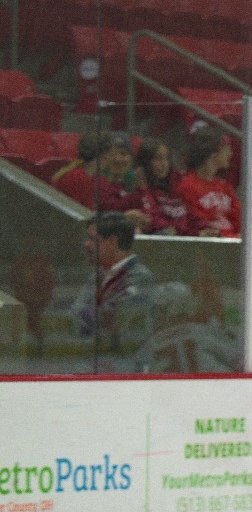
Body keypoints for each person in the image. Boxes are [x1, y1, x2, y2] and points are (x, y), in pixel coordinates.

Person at [74, 211, 155, 365]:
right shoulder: (96, 277)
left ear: (112, 242)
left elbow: (116, 321)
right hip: (95, 366)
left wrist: (94, 317)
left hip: (127, 371)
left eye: (92, 239)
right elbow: (75, 316)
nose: (86, 244)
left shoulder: (140, 278)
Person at [51, 130, 146, 223]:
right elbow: (81, 219)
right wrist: (123, 217)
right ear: (105, 154)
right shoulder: (76, 177)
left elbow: (103, 211)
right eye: (114, 152)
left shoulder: (97, 179)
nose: (116, 158)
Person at [176, 126, 241, 237]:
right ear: (213, 154)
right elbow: (200, 226)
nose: (231, 154)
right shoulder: (187, 187)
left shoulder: (225, 187)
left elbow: (239, 221)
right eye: (227, 149)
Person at [133, 138, 189, 235]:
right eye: (158, 159)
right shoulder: (140, 191)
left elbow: (189, 218)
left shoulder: (175, 187)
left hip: (181, 237)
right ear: (146, 162)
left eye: (167, 158)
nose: (164, 164)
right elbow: (150, 220)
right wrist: (143, 190)